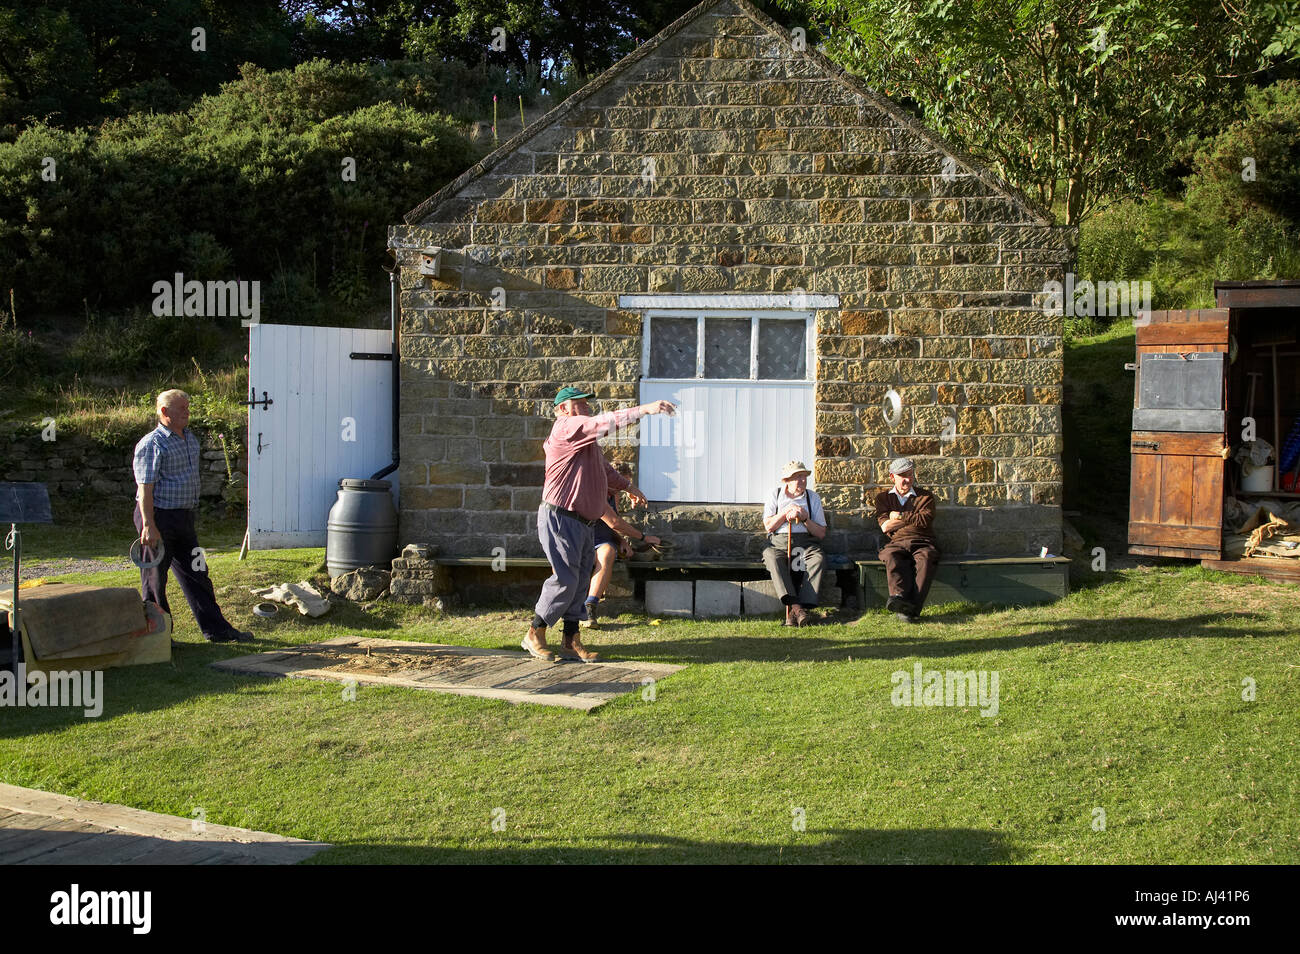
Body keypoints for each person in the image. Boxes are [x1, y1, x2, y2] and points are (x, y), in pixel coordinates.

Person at [526, 387, 676, 663]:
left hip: (583, 522)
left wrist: (628, 486)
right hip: (561, 517)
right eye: (579, 403)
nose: (585, 407)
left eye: (586, 403)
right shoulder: (566, 427)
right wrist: (644, 409)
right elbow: (601, 423)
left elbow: (604, 470)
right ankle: (536, 631)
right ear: (563, 408)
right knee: (566, 579)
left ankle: (571, 641)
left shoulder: (585, 443)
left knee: (581, 582)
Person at [133, 389, 252, 643]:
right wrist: (148, 525)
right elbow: (145, 489)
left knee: (198, 572)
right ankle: (159, 638)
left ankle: (217, 631)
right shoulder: (152, 444)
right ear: (164, 411)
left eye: (188, 408)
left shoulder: (190, 438)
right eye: (181, 409)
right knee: (155, 579)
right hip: (158, 517)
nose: (187, 413)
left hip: (184, 518)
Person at [581, 484, 661, 630]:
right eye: (620, 484)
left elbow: (609, 525)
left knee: (608, 553)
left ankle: (590, 608)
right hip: (583, 541)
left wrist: (621, 541)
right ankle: (571, 608)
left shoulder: (614, 495)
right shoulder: (595, 492)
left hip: (601, 542)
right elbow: (614, 522)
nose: (622, 489)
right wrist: (644, 538)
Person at [871, 457, 940, 623]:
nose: (908, 479)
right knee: (890, 556)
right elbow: (885, 526)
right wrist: (913, 518)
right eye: (902, 475)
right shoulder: (883, 498)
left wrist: (899, 516)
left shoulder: (925, 497)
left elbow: (925, 520)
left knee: (926, 558)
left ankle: (913, 608)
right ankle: (898, 598)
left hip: (922, 541)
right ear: (892, 477)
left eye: (910, 475)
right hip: (897, 542)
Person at [761, 460, 827, 627]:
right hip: (779, 544)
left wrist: (805, 518)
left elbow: (821, 533)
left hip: (806, 544)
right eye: (797, 477)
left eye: (804, 476)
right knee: (771, 557)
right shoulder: (775, 494)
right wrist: (785, 513)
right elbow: (769, 526)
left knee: (818, 558)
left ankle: (798, 609)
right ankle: (798, 609)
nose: (802, 480)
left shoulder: (813, 497)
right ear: (787, 481)